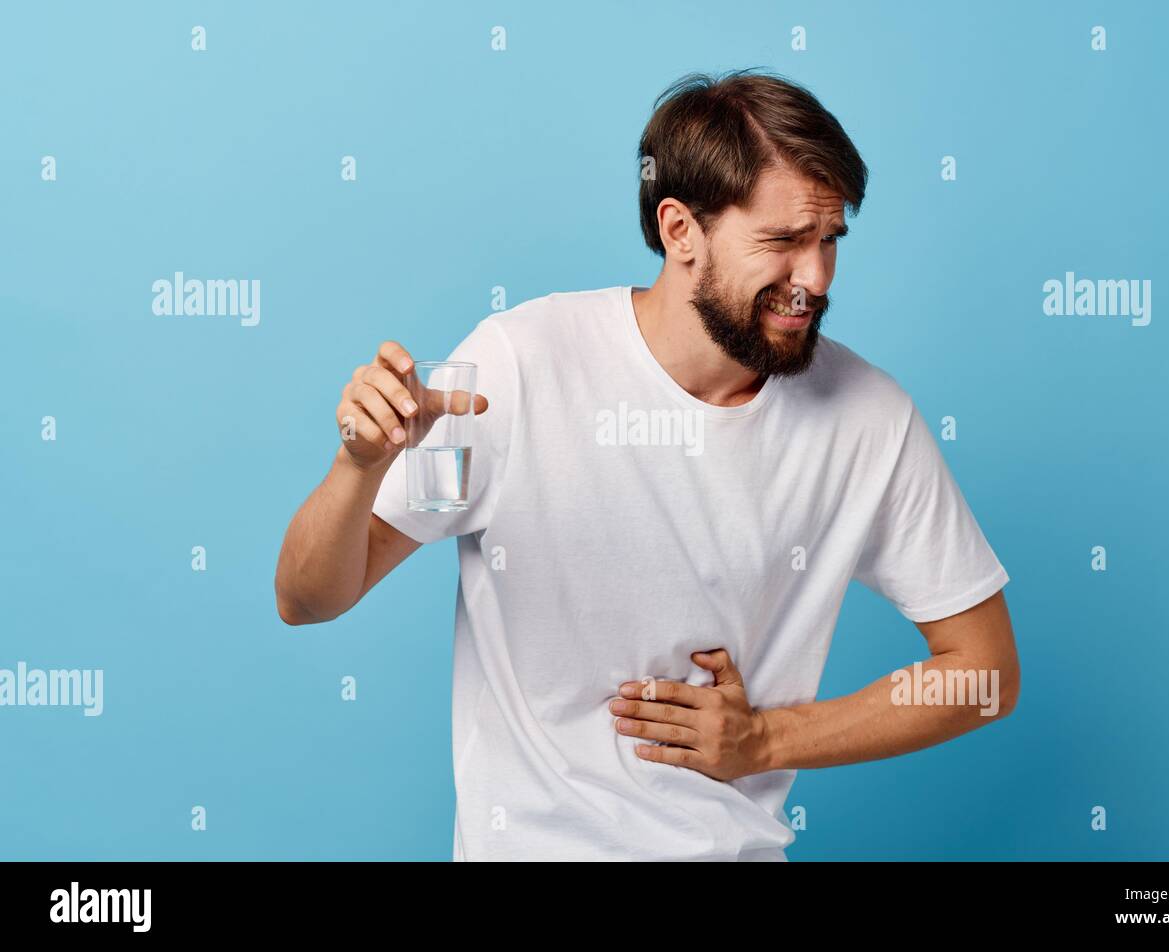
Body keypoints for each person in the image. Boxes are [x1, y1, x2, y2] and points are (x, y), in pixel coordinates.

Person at [275, 68, 1019, 861]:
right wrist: (359, 468)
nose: (816, 280)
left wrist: (767, 739)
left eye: (830, 239)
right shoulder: (520, 368)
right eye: (783, 241)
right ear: (680, 231)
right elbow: (308, 598)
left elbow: (986, 672)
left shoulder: (869, 419)